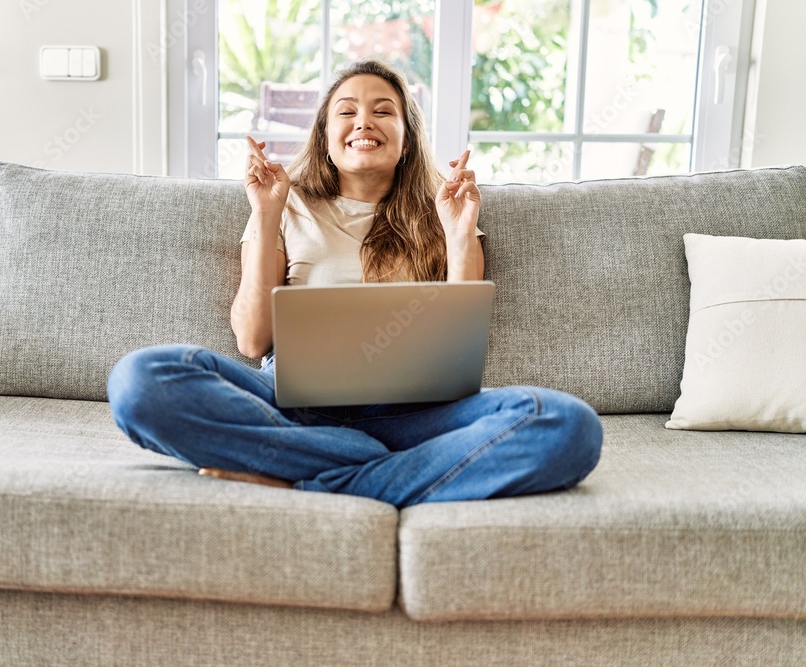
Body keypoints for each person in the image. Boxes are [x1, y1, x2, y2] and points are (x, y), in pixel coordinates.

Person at [107, 59, 602, 508]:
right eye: (347, 111)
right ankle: (365, 460)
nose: (364, 120)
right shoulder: (286, 205)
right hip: (291, 406)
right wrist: (266, 212)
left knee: (566, 424)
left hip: (416, 416)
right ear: (325, 134)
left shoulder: (444, 208)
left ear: (407, 135)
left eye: (383, 110)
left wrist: (457, 233)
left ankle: (310, 479)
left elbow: (458, 345)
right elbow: (252, 339)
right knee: (140, 380)